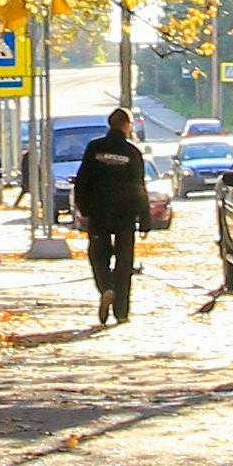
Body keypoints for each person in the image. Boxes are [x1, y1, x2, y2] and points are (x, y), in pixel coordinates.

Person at [73, 107, 147, 324]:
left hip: (99, 213)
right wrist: (145, 220)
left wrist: (83, 208)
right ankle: (121, 312)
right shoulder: (132, 153)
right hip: (125, 215)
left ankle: (106, 286)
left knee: (98, 256)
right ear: (126, 126)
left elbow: (82, 180)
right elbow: (139, 187)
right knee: (124, 263)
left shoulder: (94, 148)